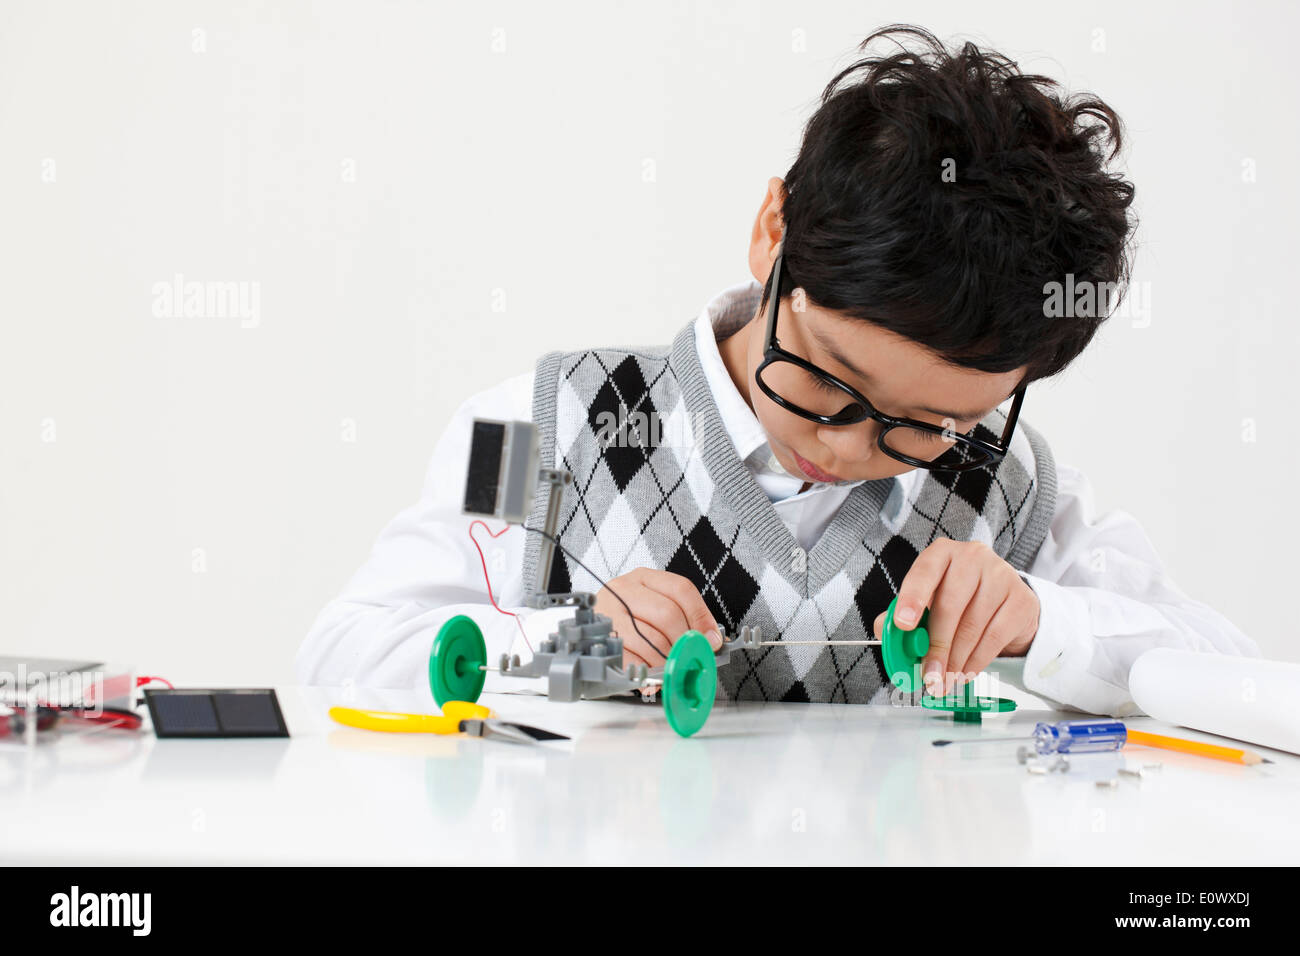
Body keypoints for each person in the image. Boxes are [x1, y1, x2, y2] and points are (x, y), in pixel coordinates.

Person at [296, 25, 1258, 716]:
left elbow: (1236, 678)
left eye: (925, 426)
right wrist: (567, 650)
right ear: (772, 235)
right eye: (829, 382)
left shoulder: (1013, 491)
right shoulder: (533, 428)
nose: (848, 448)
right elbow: (345, 653)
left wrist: (1040, 619)